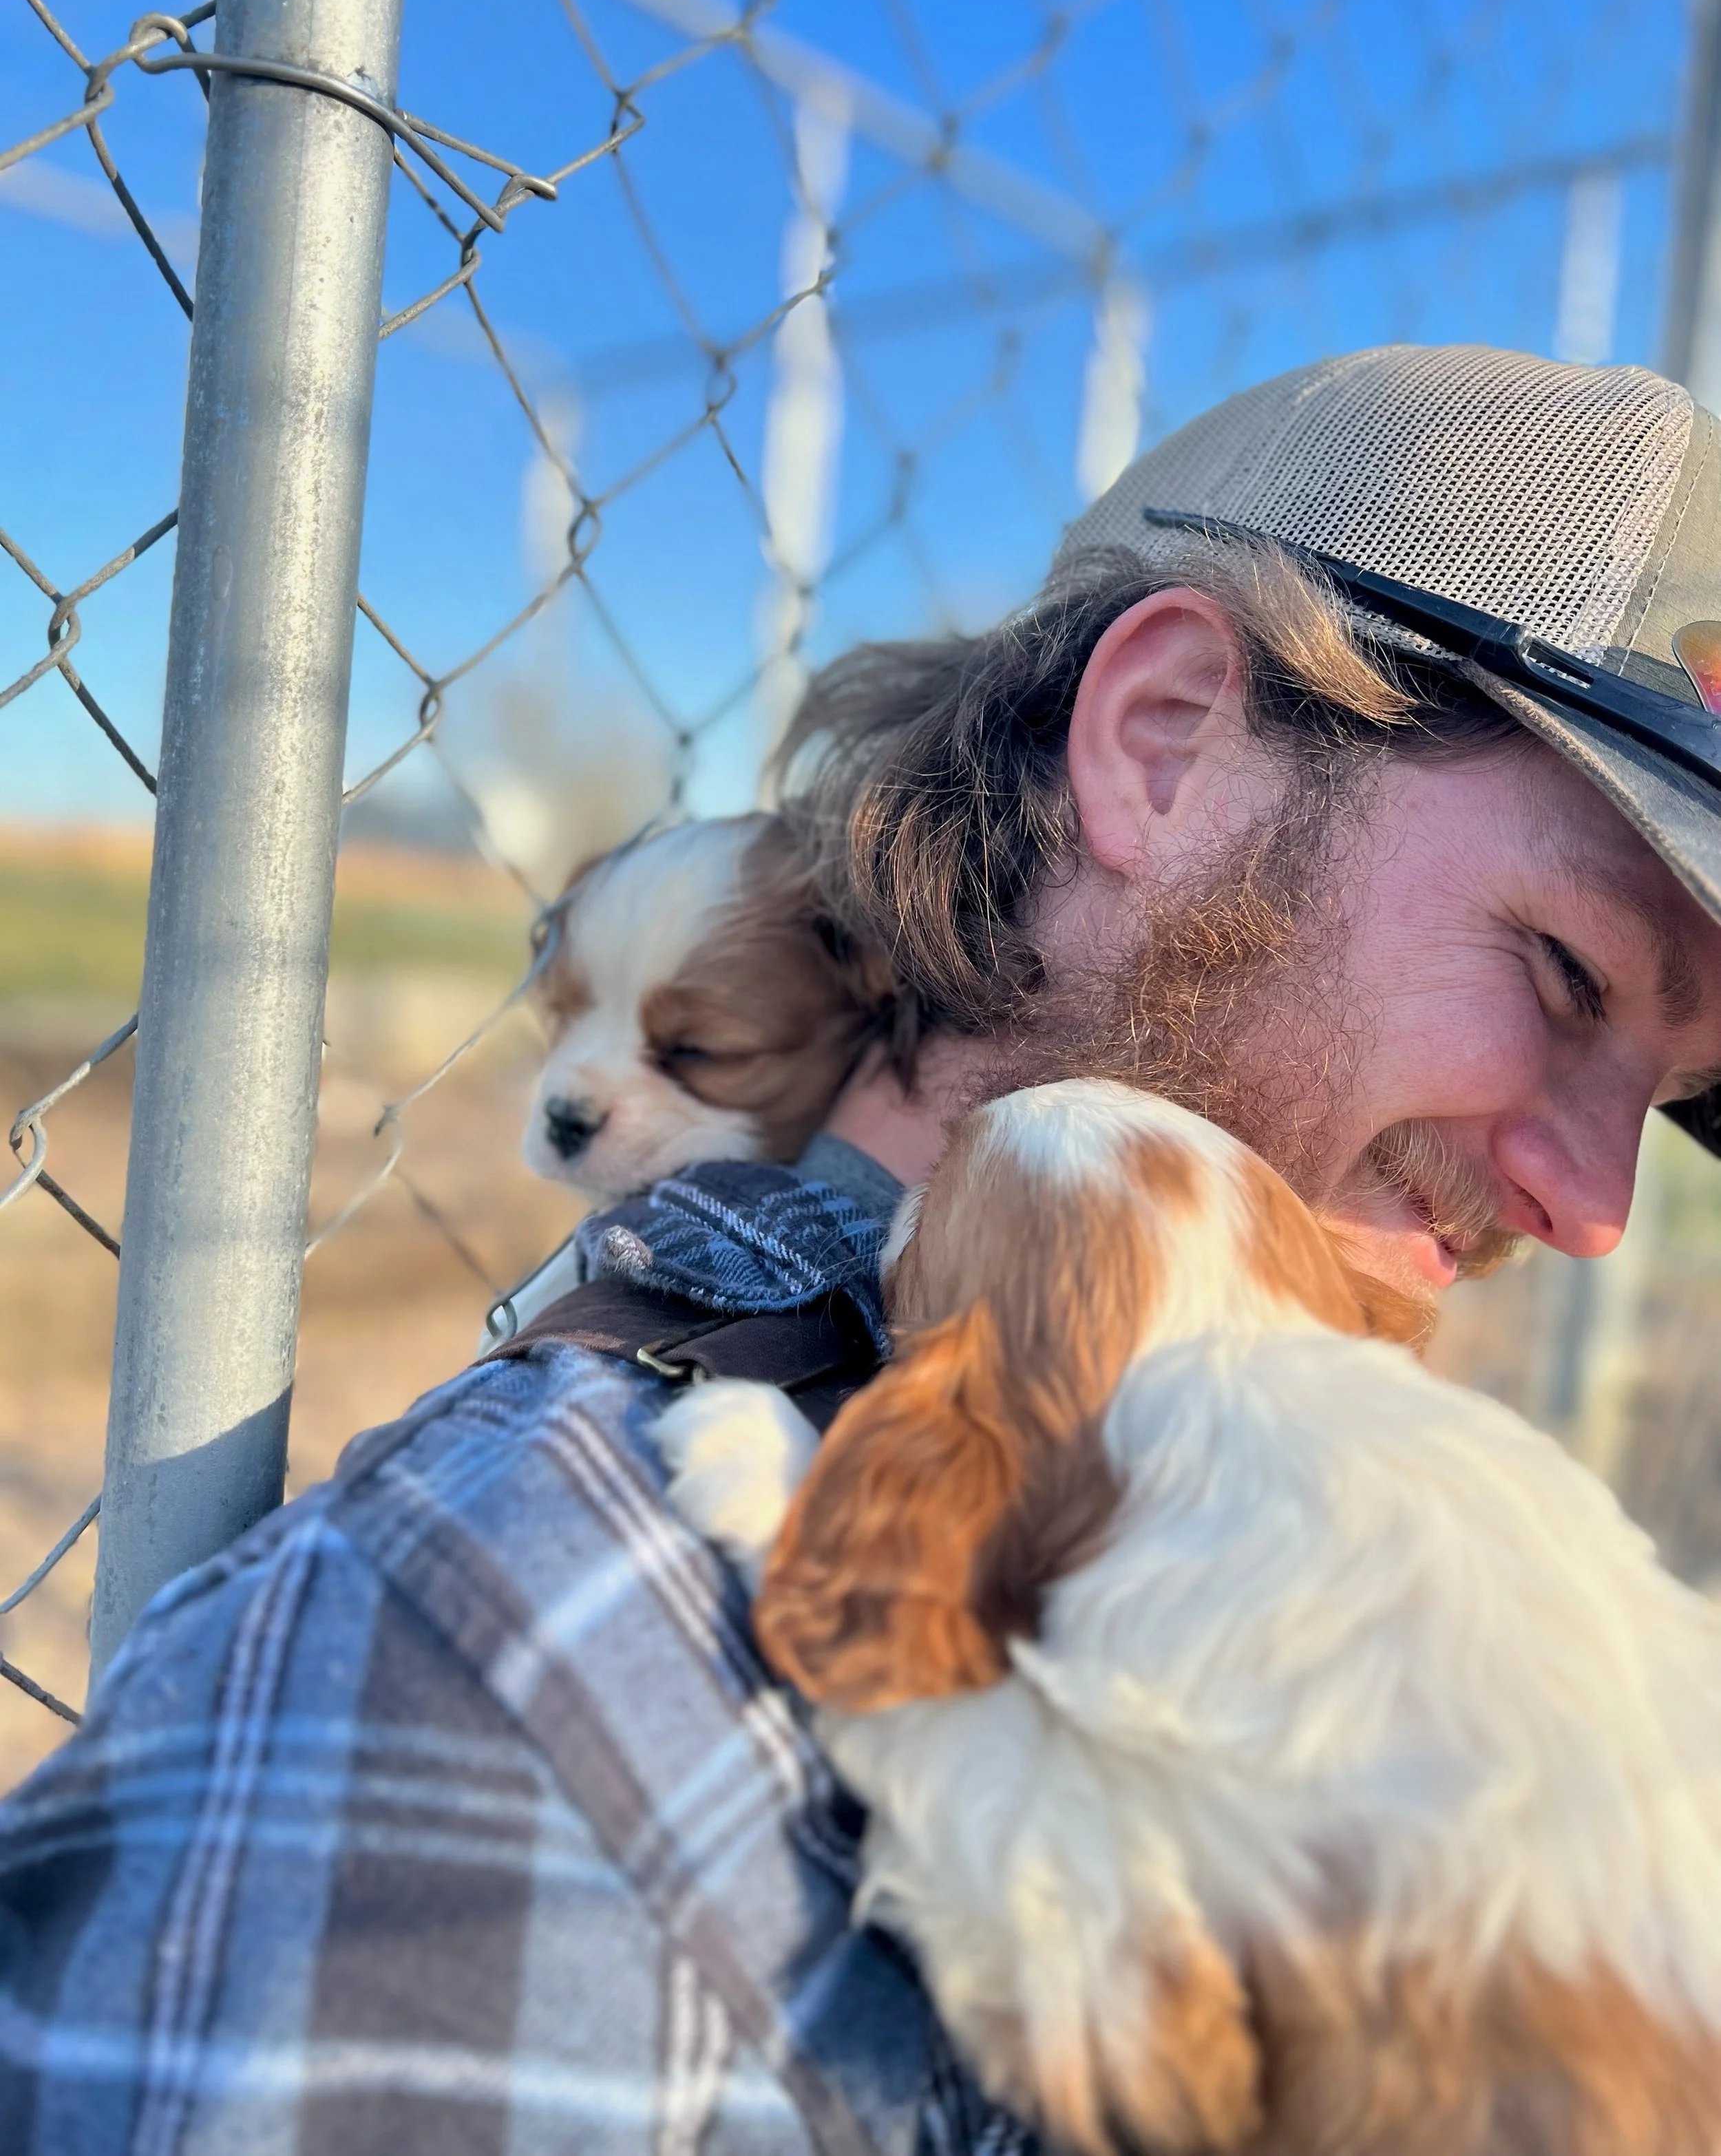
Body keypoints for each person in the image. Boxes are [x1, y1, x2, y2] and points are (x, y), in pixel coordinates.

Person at [5, 343, 1721, 2153]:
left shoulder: (1324, 1584)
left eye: (1674, 1092)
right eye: (1566, 975)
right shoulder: (541, 1686)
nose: (1595, 1209)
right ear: (1165, 747)